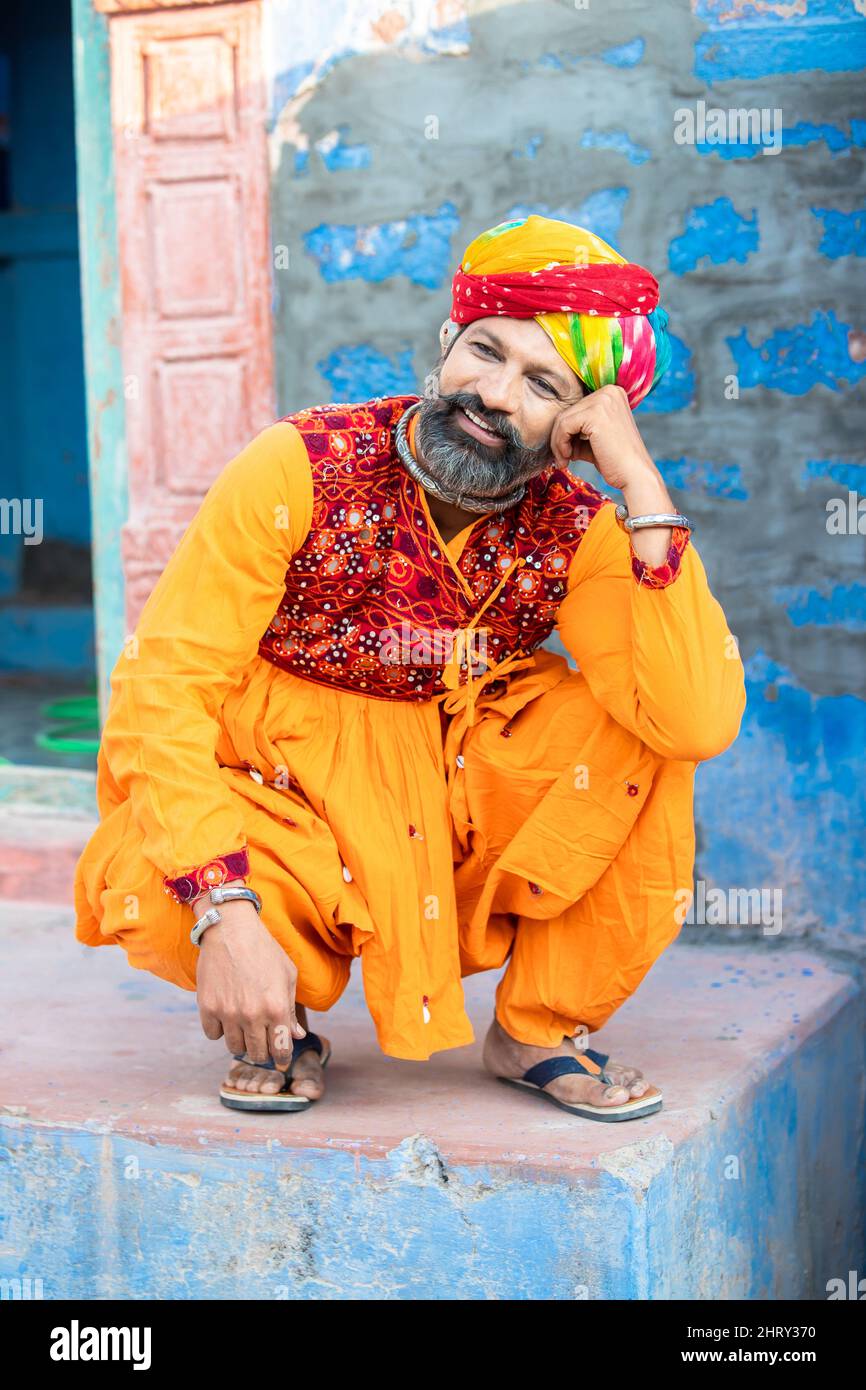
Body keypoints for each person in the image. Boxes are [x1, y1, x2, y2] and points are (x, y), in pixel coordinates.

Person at [74, 215, 746, 1122]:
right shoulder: (298, 467)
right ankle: (282, 1019)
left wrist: (643, 496)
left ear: (581, 424)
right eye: (485, 352)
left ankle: (538, 1028)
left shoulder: (578, 528)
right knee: (154, 870)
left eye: (542, 382)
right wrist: (221, 909)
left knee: (648, 736)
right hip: (287, 801)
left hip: (451, 804)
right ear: (446, 345)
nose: (496, 393)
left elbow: (695, 719)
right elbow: (166, 691)